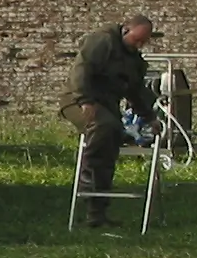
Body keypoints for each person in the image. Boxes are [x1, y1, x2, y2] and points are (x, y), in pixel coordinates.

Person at [61, 14, 157, 228]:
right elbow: (81, 70)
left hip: (106, 106)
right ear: (125, 30)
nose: (139, 45)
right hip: (78, 100)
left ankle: (97, 212)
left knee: (111, 138)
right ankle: (88, 178)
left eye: (144, 42)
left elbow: (135, 92)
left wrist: (150, 117)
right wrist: (85, 100)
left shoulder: (134, 61)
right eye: (137, 40)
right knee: (104, 127)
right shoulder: (102, 41)